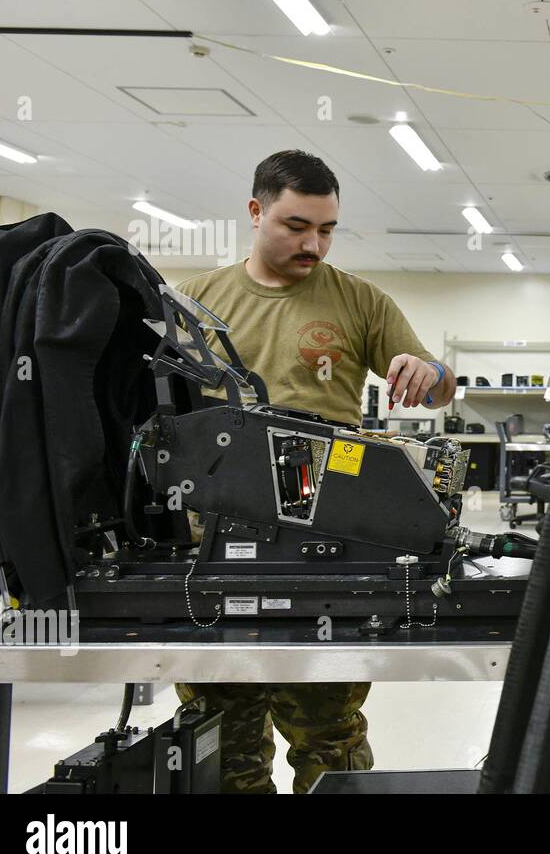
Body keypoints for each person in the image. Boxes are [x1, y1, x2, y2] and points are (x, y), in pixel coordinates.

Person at [172, 149, 456, 793]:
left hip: (323, 544)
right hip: (216, 545)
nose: (315, 244)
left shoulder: (358, 301)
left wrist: (430, 374)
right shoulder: (195, 302)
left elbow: (441, 386)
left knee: (330, 737)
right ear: (255, 211)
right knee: (223, 744)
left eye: (327, 229)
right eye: (297, 226)